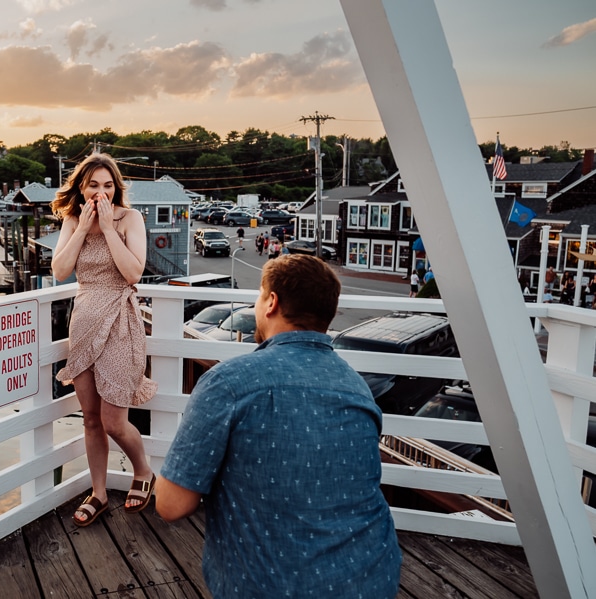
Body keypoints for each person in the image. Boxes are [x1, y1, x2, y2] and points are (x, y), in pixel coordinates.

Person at [155, 255, 402, 598]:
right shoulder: (356, 386)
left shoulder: (228, 382)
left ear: (271, 303)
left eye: (259, 296)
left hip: (275, 586)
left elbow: (171, 505)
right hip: (373, 578)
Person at [50, 153, 158, 527]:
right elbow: (61, 271)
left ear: (117, 188)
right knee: (91, 420)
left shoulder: (131, 219)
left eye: (108, 185)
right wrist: (83, 227)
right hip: (83, 323)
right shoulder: (72, 219)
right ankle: (98, 493)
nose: (101, 192)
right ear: (82, 187)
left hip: (120, 323)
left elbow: (132, 273)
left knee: (114, 420)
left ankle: (142, 470)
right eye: (94, 185)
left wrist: (110, 228)